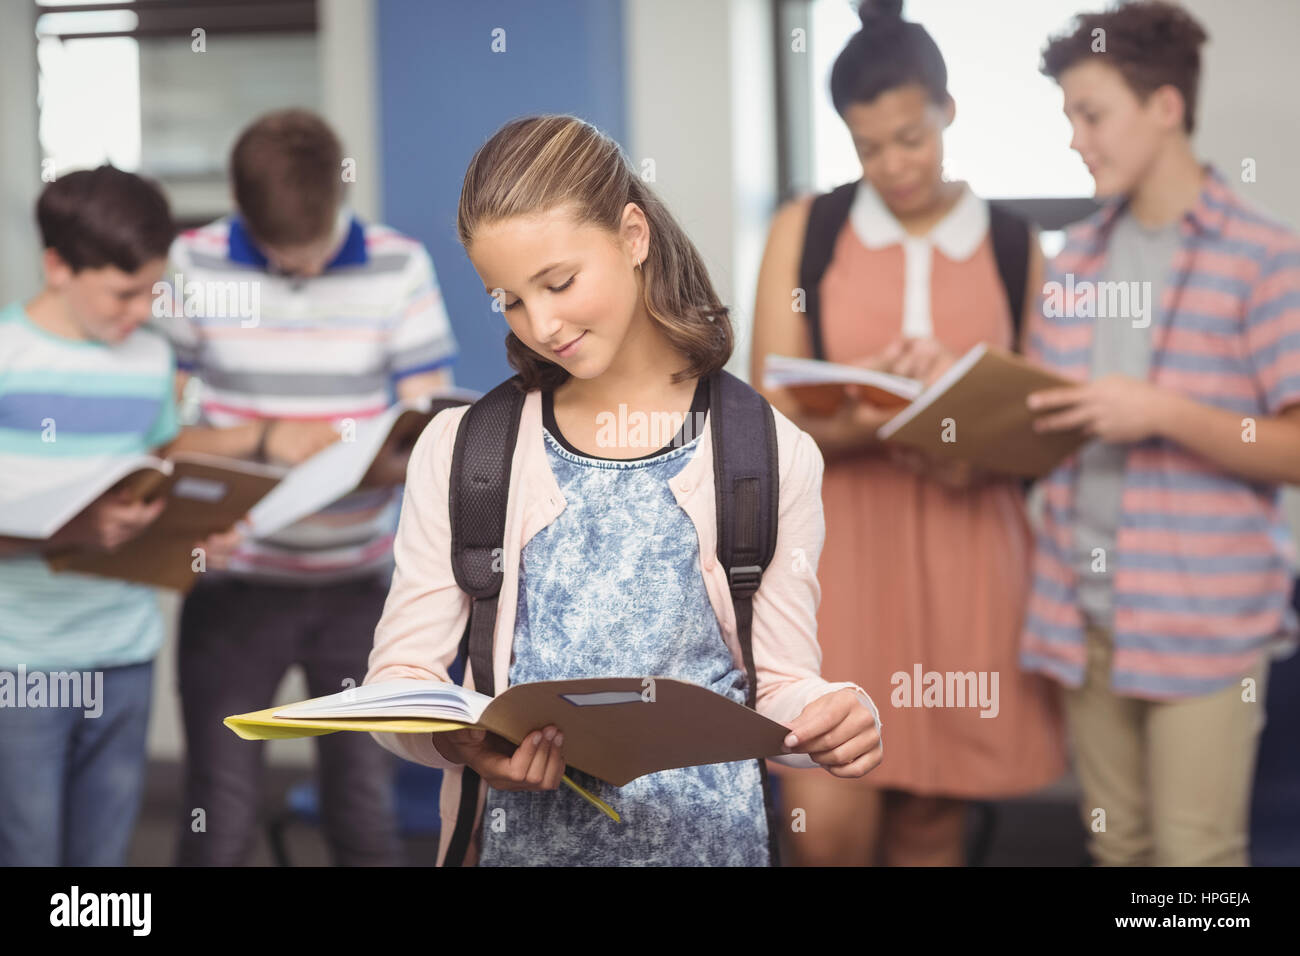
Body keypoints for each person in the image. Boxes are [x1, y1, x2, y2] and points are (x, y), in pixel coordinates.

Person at [364, 114, 884, 867]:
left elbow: (779, 687)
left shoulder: (769, 453)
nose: (540, 324)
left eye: (559, 282)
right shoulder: (463, 452)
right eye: (508, 299)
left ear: (633, 236)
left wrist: (833, 715)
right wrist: (459, 741)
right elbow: (399, 682)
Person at [750, 0, 1067, 866]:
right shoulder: (808, 228)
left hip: (970, 550)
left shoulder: (1012, 243)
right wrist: (874, 417)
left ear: (949, 112)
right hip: (837, 557)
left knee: (932, 820)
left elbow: (1046, 412)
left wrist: (970, 428)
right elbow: (770, 405)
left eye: (911, 138)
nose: (893, 164)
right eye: (868, 146)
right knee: (829, 824)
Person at [1025, 1, 1300, 866]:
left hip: (1206, 622)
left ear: (1166, 107)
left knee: (1195, 864)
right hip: (1086, 616)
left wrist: (1162, 413)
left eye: (1092, 113)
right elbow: (1047, 423)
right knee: (1121, 853)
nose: (1076, 138)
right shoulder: (1073, 263)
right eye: (1069, 116)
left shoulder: (1264, 259)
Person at [156, 110, 459, 866]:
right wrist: (265, 439)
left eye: (312, 254)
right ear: (237, 202)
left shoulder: (399, 265)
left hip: (360, 584)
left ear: (338, 195)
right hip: (232, 585)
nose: (297, 272)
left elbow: (427, 427)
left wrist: (378, 457)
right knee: (218, 817)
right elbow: (158, 433)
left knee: (363, 813)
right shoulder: (189, 265)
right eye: (277, 257)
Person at [0, 167, 236, 865]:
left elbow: (155, 481)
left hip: (127, 653)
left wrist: (197, 531)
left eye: (153, 289)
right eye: (124, 292)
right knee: (30, 852)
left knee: (104, 859)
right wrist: (71, 532)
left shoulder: (151, 362)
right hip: (22, 660)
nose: (141, 309)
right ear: (58, 266)